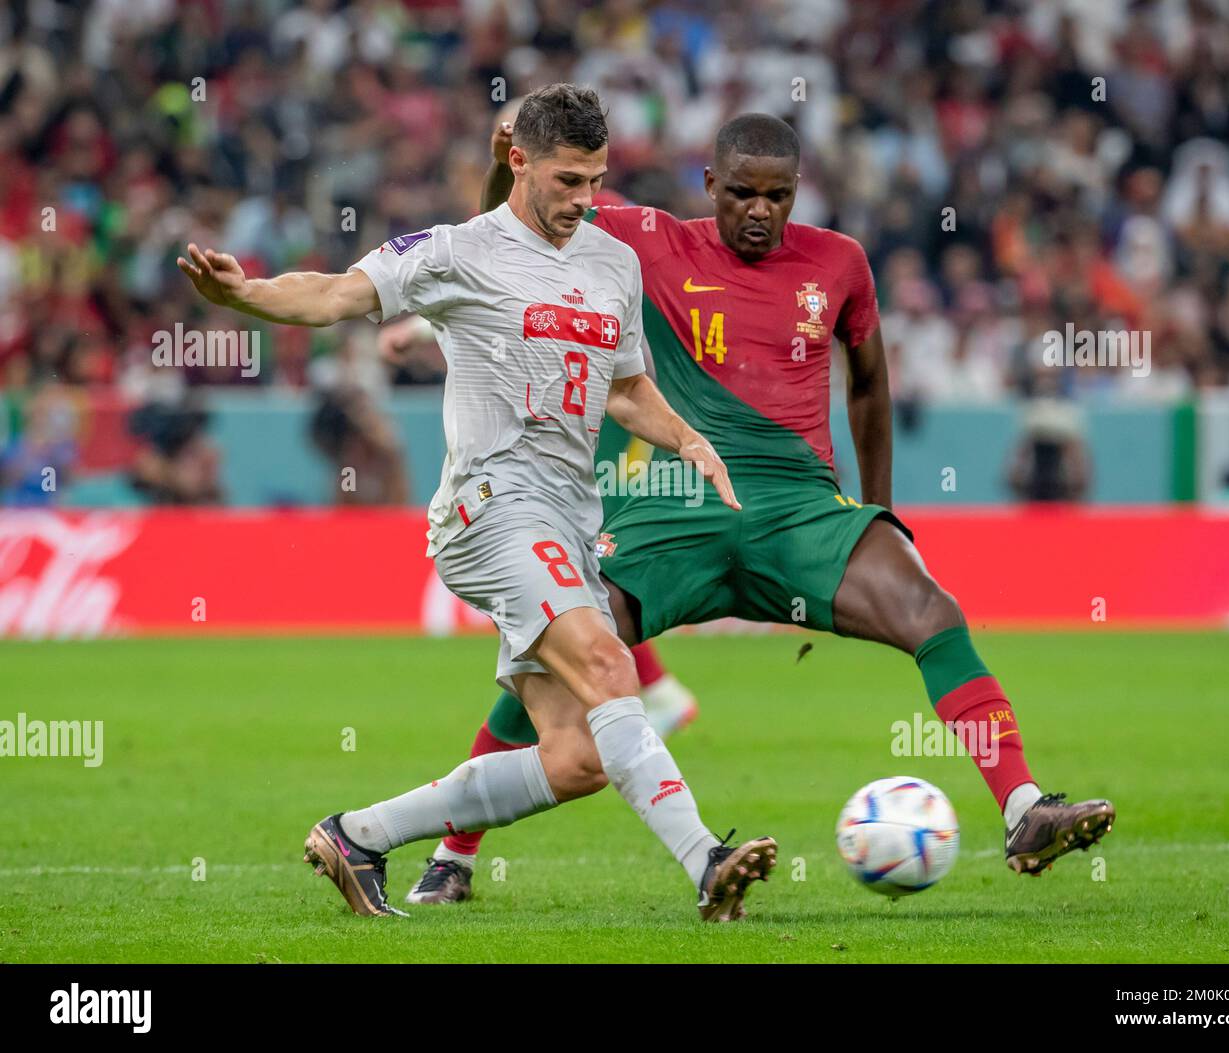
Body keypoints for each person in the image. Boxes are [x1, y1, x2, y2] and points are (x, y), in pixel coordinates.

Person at [407, 111, 1115, 905]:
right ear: (710, 185)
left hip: (797, 511)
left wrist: (877, 516)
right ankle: (453, 853)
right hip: (667, 509)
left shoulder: (840, 262)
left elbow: (872, 383)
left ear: (797, 191)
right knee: (559, 655)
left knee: (931, 607)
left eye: (776, 196)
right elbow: (523, 200)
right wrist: (506, 174)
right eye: (741, 192)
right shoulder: (646, 237)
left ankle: (1024, 807)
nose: (758, 211)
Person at [178, 84, 777, 921]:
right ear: (519, 161)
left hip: (570, 519)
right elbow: (335, 293)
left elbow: (628, 387)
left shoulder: (614, 263)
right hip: (491, 507)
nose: (585, 199)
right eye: (568, 180)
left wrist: (687, 437)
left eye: (597, 180)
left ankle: (358, 834)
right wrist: (243, 296)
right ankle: (707, 860)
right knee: (613, 668)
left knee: (574, 757)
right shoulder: (459, 251)